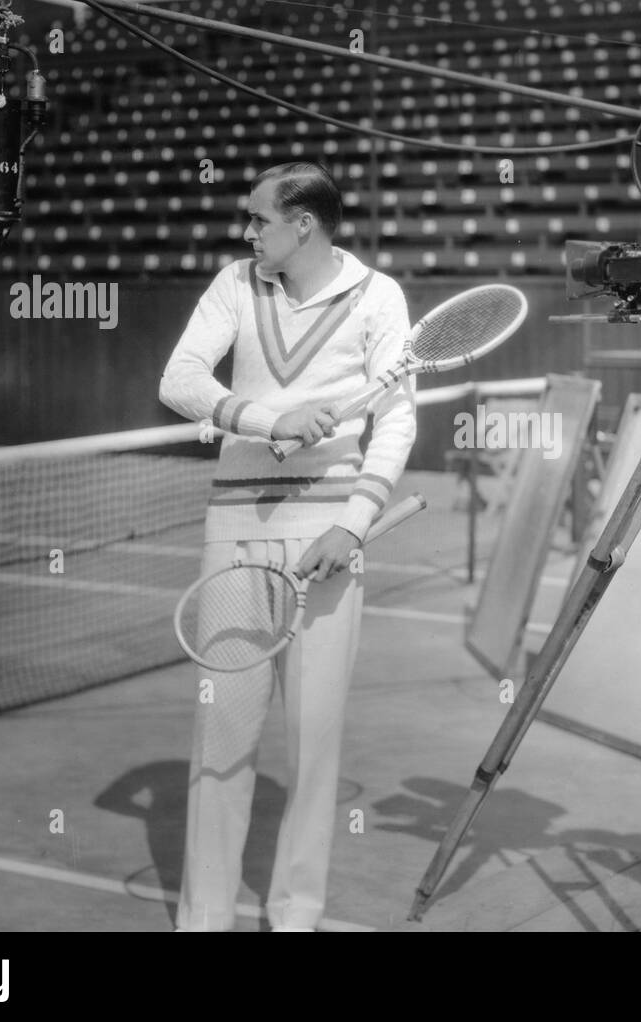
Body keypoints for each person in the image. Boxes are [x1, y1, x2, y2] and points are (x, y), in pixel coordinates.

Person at [159, 161, 416, 931]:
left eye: (258, 219)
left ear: (302, 224)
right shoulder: (236, 283)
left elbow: (395, 420)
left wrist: (353, 525)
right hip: (235, 532)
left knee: (314, 746)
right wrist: (266, 420)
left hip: (330, 538)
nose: (246, 231)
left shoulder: (380, 297)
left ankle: (295, 915)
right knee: (222, 734)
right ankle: (205, 918)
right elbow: (180, 378)